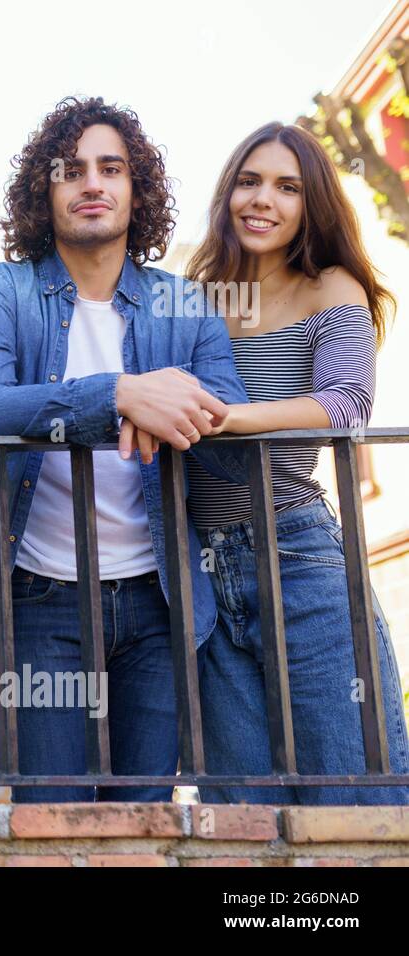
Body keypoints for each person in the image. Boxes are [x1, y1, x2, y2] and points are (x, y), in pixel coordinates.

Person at [0, 96, 249, 803]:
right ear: (43, 191)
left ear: (135, 188)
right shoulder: (4, 291)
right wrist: (117, 394)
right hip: (40, 599)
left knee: (143, 823)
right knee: (49, 819)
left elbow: (234, 449)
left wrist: (176, 404)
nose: (92, 183)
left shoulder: (184, 305)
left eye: (111, 168)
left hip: (160, 601)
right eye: (72, 170)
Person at [185, 122, 409, 804]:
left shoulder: (331, 287)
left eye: (288, 187)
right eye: (250, 181)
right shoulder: (196, 293)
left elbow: (346, 403)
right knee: (244, 813)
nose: (264, 200)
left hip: (297, 555)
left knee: (353, 795)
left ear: (312, 205)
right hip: (198, 568)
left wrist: (228, 420)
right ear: (228, 192)